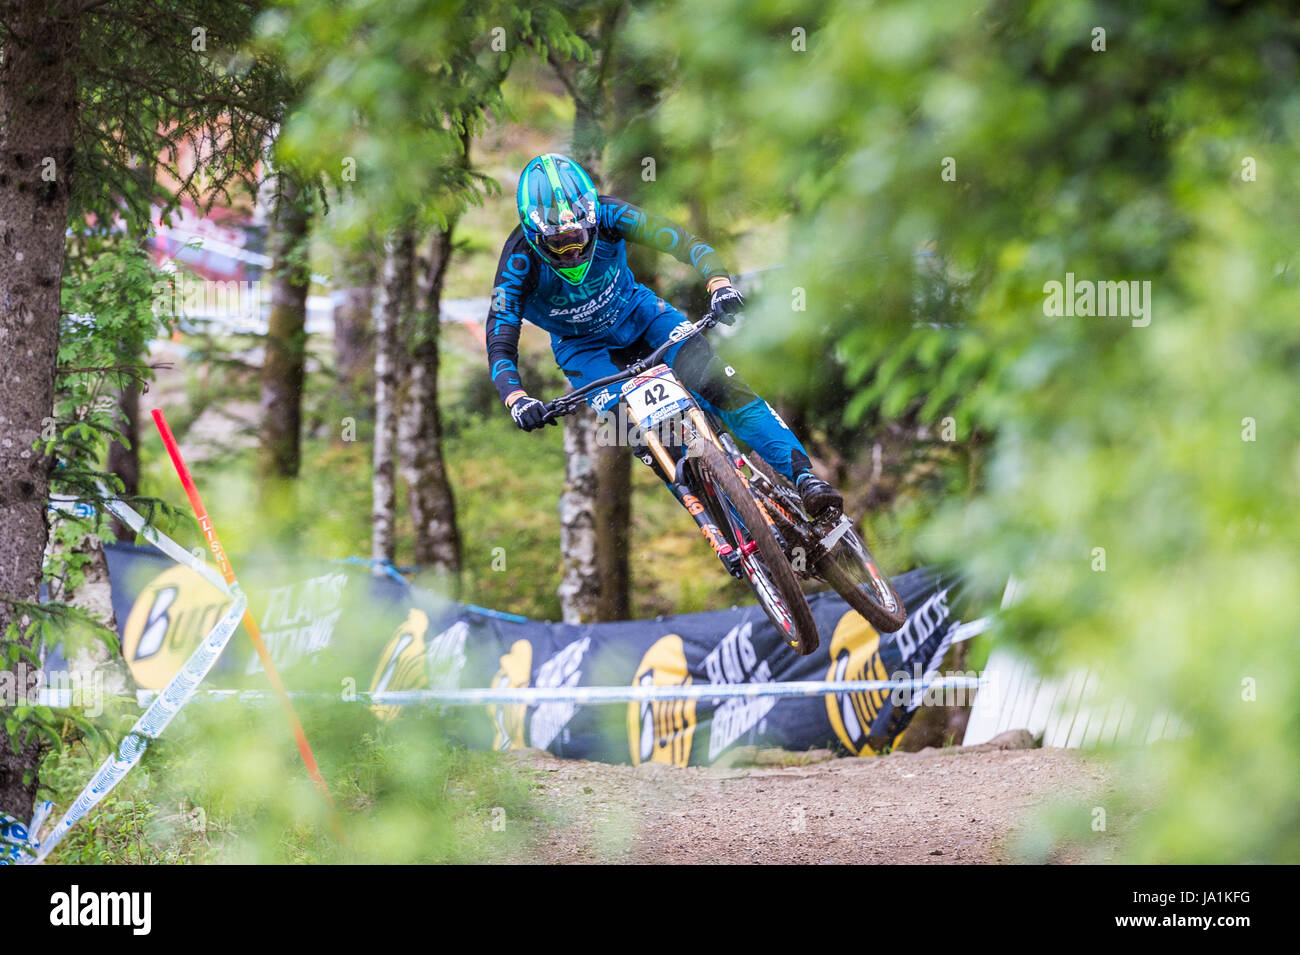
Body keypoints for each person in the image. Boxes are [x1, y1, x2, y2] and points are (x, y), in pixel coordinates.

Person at [484, 152, 843, 519]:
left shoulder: (610, 215)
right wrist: (517, 399)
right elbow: (500, 340)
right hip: (584, 351)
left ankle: (804, 478)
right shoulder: (518, 263)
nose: (573, 251)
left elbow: (685, 243)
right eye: (559, 244)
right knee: (656, 445)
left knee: (720, 386)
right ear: (534, 234)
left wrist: (719, 285)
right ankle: (729, 533)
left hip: (642, 315)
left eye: (578, 237)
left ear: (591, 217)